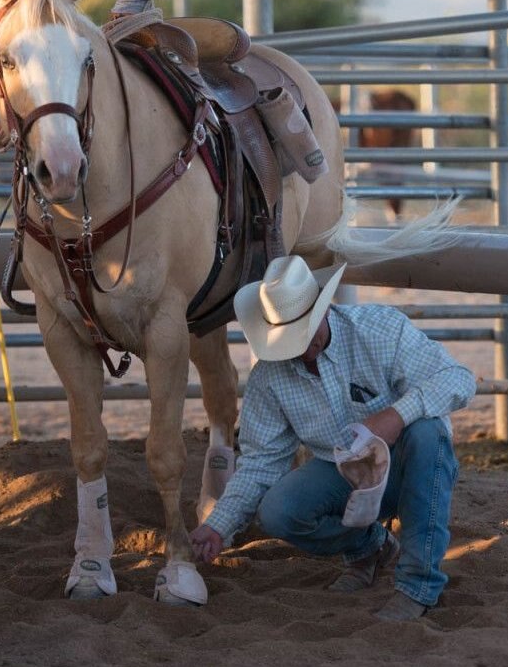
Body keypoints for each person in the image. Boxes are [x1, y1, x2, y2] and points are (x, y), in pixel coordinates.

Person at [189, 255, 476, 621]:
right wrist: (218, 524)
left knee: (426, 431)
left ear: (323, 310)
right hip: (338, 468)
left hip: (407, 463)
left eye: (305, 331)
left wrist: (396, 415)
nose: (299, 346)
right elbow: (260, 461)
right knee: (279, 512)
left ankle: (417, 584)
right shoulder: (269, 377)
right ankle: (370, 547)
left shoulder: (379, 329)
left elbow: (459, 378)